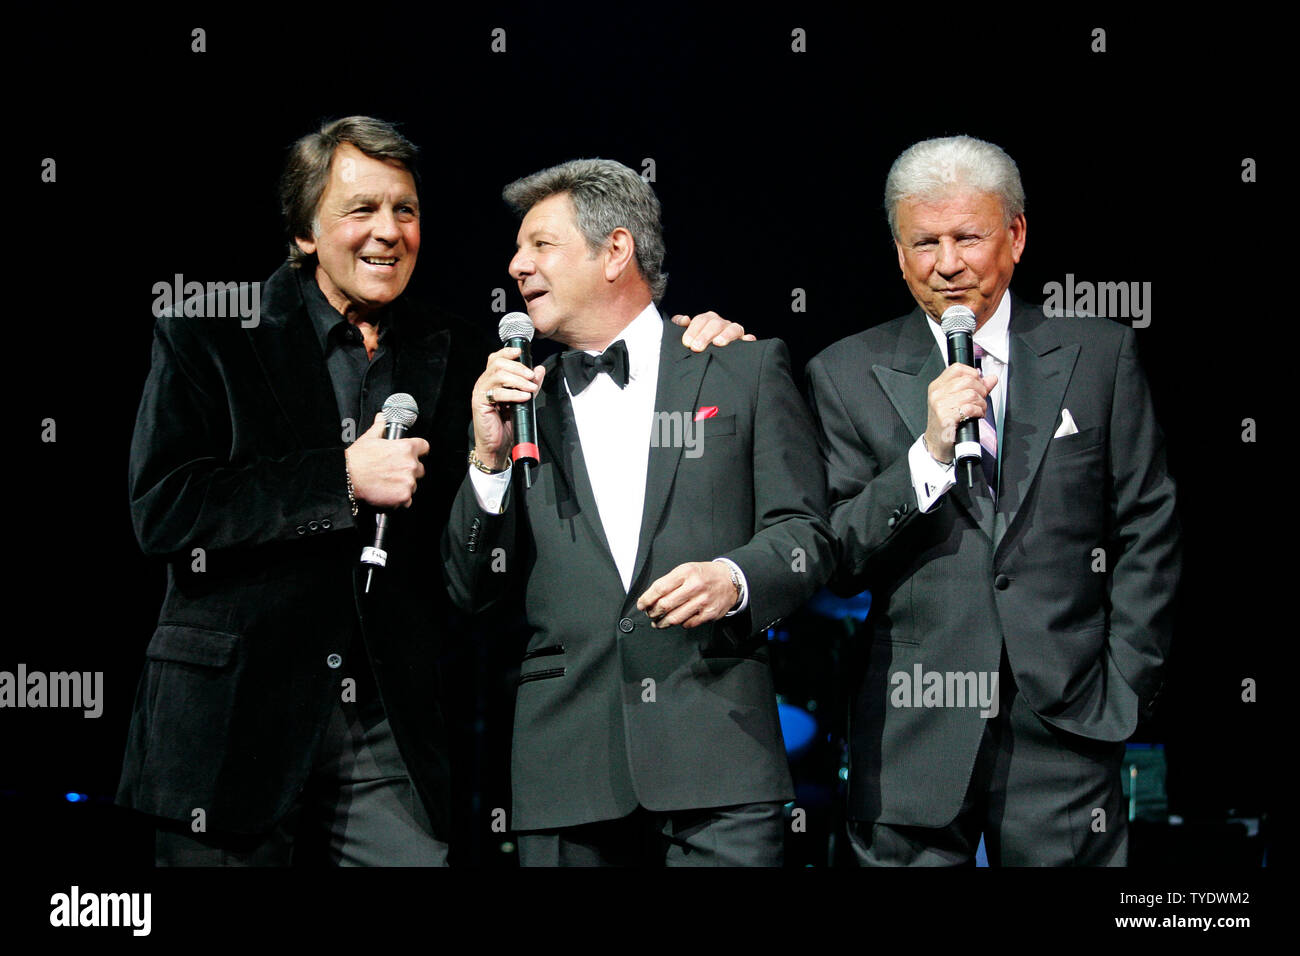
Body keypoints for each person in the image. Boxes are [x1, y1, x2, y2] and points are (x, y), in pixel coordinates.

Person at [119, 118, 743, 866]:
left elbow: (491, 528)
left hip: (390, 730)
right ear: (306, 231)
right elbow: (166, 508)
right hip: (231, 725)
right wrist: (340, 479)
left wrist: (690, 348)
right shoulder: (211, 329)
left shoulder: (456, 351)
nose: (388, 232)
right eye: (362, 210)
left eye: (405, 211)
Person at [442, 158, 835, 866]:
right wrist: (487, 459)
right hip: (564, 766)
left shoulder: (742, 367)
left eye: (541, 244)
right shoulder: (518, 403)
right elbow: (470, 589)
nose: (516, 264)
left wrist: (733, 578)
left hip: (719, 753)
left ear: (615, 250)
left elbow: (807, 534)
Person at [804, 135, 1180, 866]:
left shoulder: (1098, 355)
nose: (947, 263)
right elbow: (833, 554)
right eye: (925, 242)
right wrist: (929, 454)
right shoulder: (843, 374)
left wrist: (1123, 681)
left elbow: (1148, 527)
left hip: (1068, 727)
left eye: (967, 237)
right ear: (898, 250)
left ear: (1015, 236)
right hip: (910, 735)